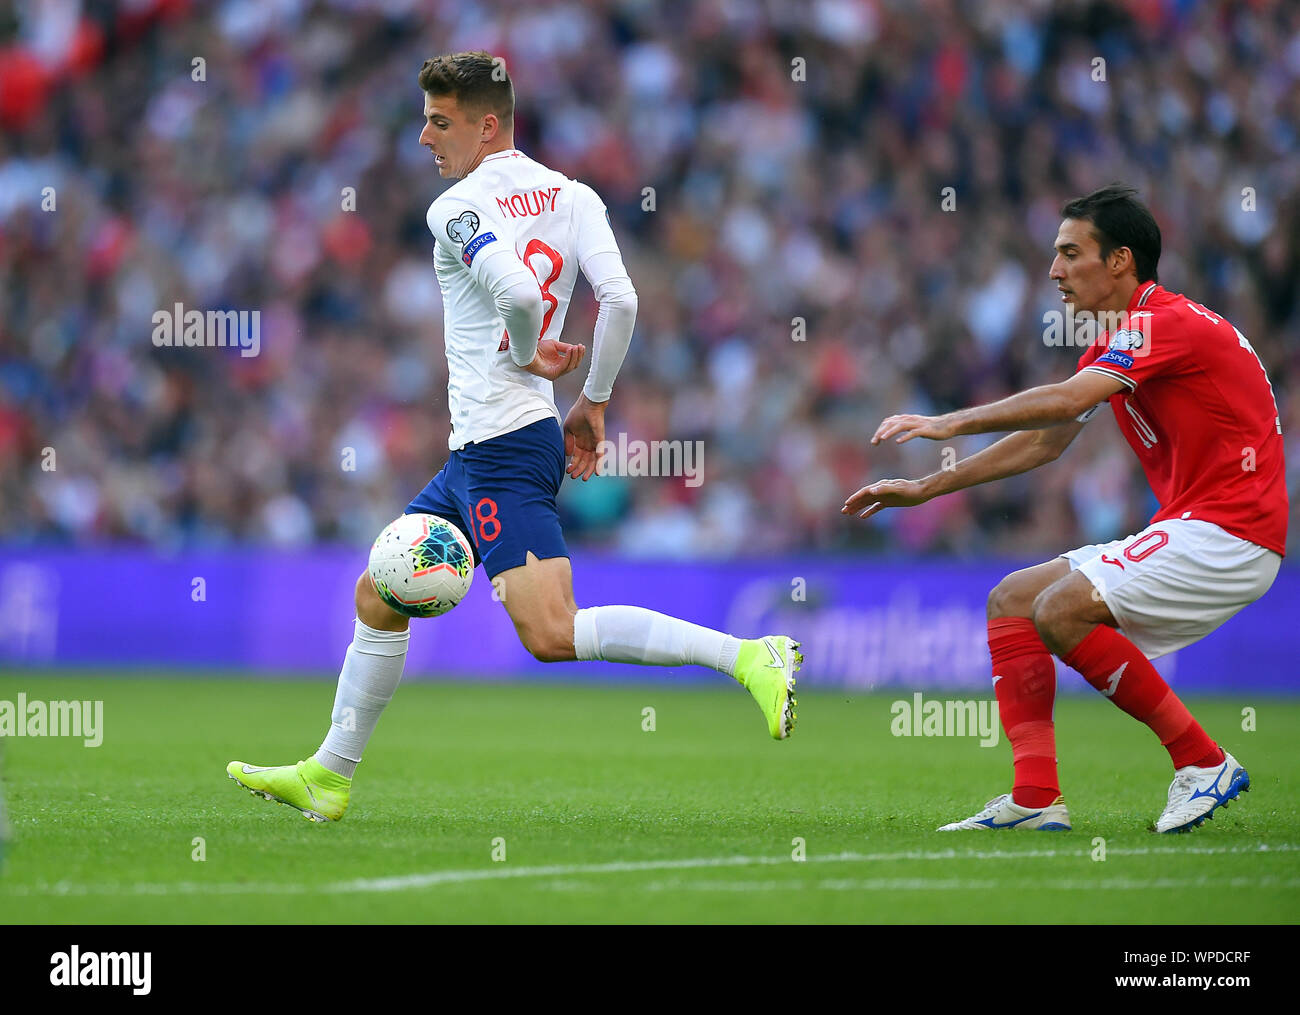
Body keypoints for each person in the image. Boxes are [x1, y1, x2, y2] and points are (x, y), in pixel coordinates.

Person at [225, 52, 800, 822]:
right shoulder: (575, 195)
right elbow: (621, 302)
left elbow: (519, 290)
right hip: (482, 450)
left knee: (550, 631)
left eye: (439, 121)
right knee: (379, 591)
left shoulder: (455, 207)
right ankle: (329, 773)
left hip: (504, 447)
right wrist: (592, 401)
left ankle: (748, 656)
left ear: (485, 124)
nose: (424, 137)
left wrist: (530, 351)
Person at [844, 184, 1285, 834]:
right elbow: (1047, 442)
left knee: (1060, 609)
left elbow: (1062, 400)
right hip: (1198, 526)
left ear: (1120, 261)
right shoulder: (1129, 340)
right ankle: (1035, 797)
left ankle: (1202, 760)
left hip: (1231, 531)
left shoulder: (1166, 324)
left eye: (1069, 253)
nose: (1054, 271)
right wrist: (925, 488)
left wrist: (946, 422)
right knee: (1013, 600)